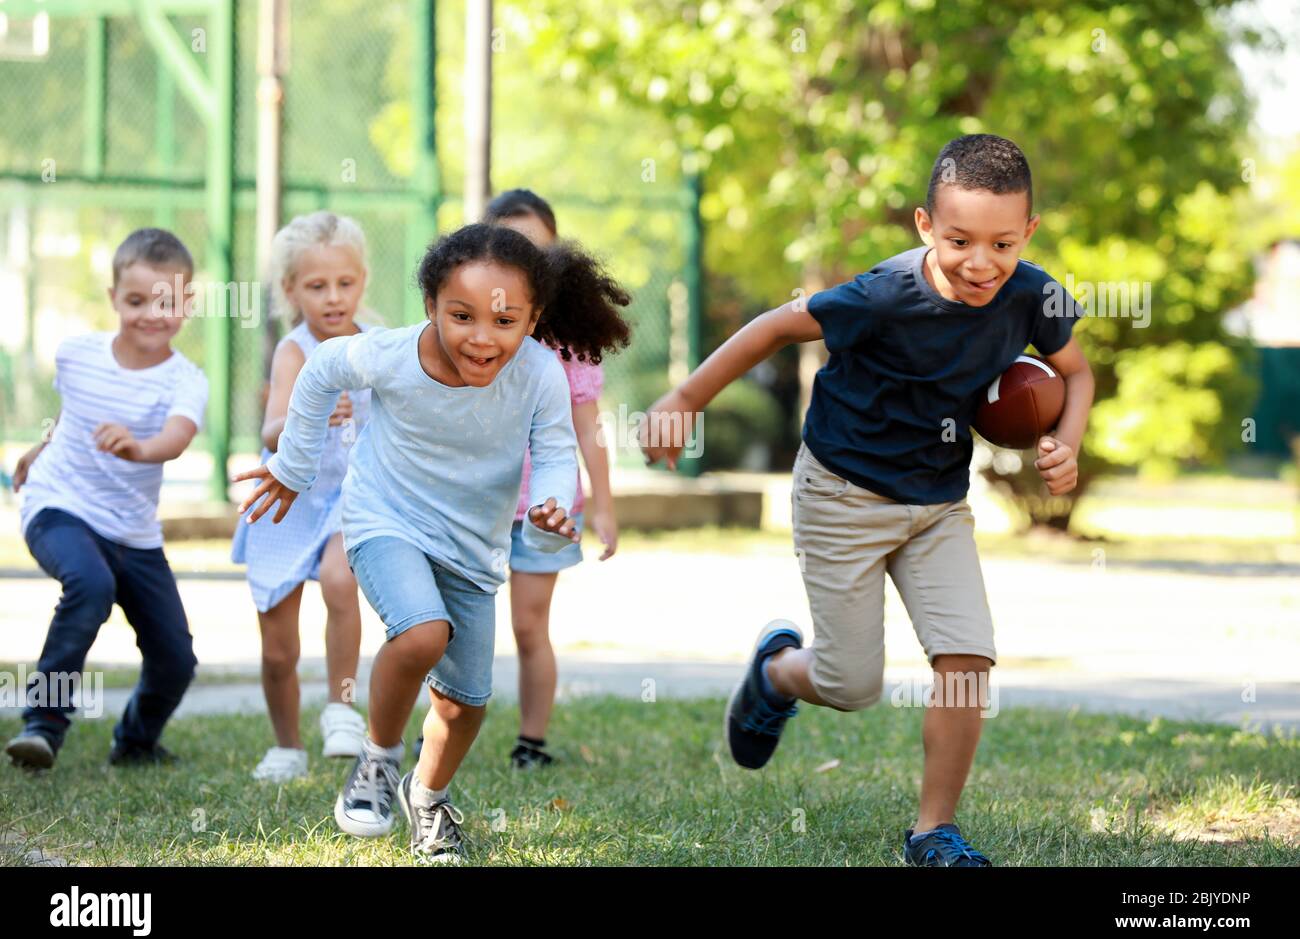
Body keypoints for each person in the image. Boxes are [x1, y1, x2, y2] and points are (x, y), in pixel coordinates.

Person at [641, 134, 1095, 867]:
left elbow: (1075, 372)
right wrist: (686, 397)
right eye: (959, 241)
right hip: (842, 492)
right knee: (852, 685)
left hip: (937, 504)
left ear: (1029, 234)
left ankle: (932, 833)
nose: (981, 263)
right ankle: (776, 671)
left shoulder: (1031, 293)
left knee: (968, 659)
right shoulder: (882, 294)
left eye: (1003, 243)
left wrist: (1064, 442)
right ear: (925, 226)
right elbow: (774, 327)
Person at [235, 223, 630, 861]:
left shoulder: (538, 374)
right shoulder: (391, 353)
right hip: (384, 518)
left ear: (533, 321)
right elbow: (321, 369)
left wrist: (553, 501)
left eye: (505, 321)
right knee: (422, 634)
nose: (482, 336)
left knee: (464, 702)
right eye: (461, 316)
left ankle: (429, 799)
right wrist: (294, 464)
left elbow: (555, 450)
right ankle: (378, 760)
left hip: (473, 546)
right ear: (431, 308)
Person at [413, 189, 618, 770]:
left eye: (537, 248)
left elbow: (588, 427)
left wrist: (604, 505)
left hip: (543, 508)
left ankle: (531, 743)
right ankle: (430, 733)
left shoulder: (570, 346)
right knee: (437, 624)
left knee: (530, 627)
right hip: (467, 502)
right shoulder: (464, 333)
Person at [6, 228, 208, 770]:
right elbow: (74, 410)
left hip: (134, 532)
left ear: (187, 303)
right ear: (114, 298)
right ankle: (42, 727)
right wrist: (40, 448)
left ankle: (136, 741)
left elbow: (179, 436)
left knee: (175, 659)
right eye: (136, 300)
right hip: (60, 507)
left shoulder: (187, 380)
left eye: (165, 301)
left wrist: (140, 448)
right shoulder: (75, 354)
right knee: (89, 584)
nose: (150, 314)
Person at [231, 212, 376, 782]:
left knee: (343, 580)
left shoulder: (377, 348)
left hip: (350, 495)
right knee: (277, 650)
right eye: (316, 286)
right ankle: (286, 745)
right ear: (290, 290)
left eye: (345, 283)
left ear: (362, 280)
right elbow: (271, 433)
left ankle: (341, 706)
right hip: (287, 498)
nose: (333, 298)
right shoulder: (293, 351)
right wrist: (305, 417)